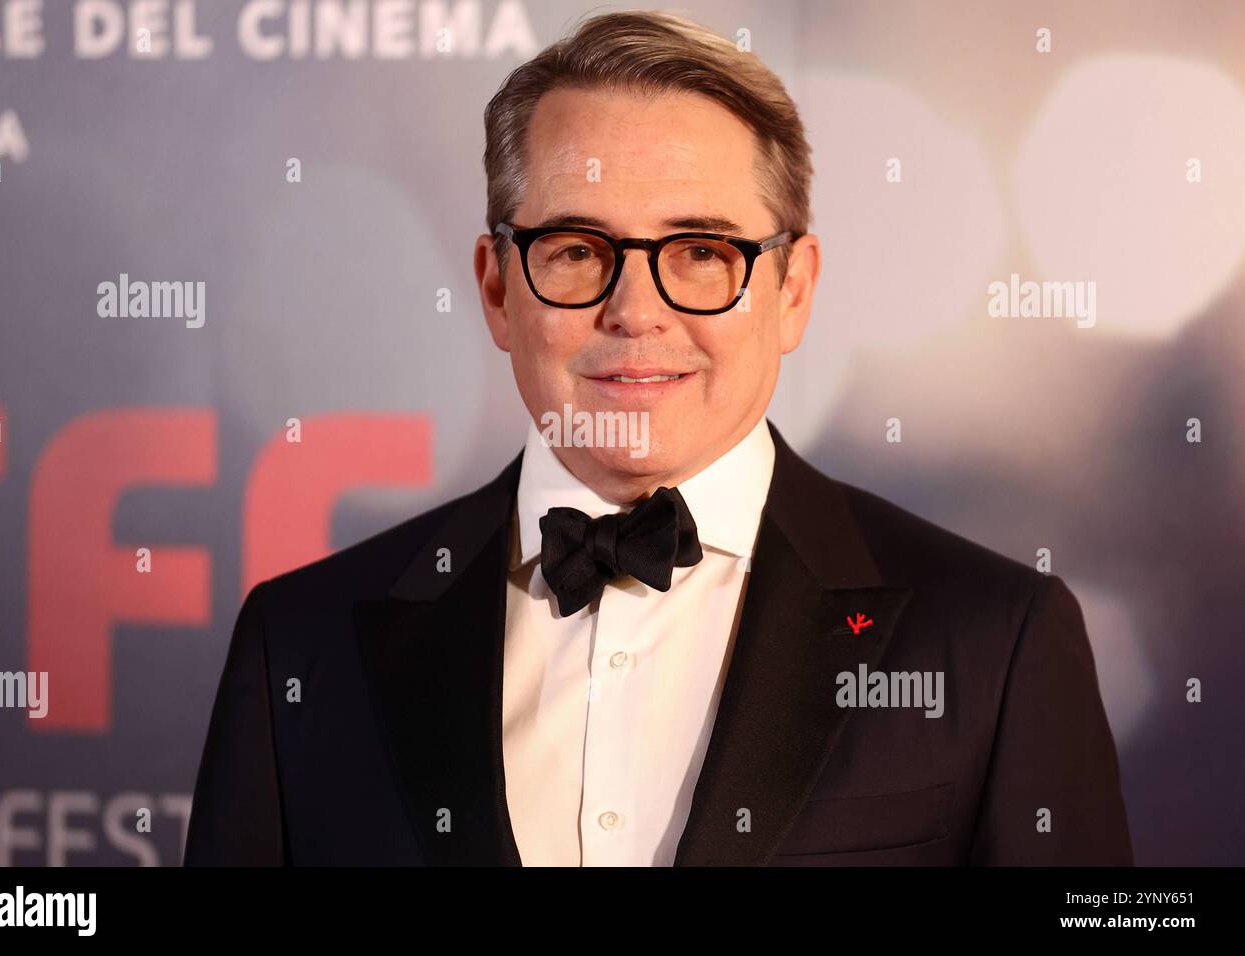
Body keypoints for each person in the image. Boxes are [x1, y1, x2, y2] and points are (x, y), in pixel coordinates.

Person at [184, 10, 1132, 866]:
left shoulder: (995, 639)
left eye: (701, 253)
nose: (635, 311)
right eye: (576, 252)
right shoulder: (299, 646)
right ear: (496, 288)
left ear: (793, 290)